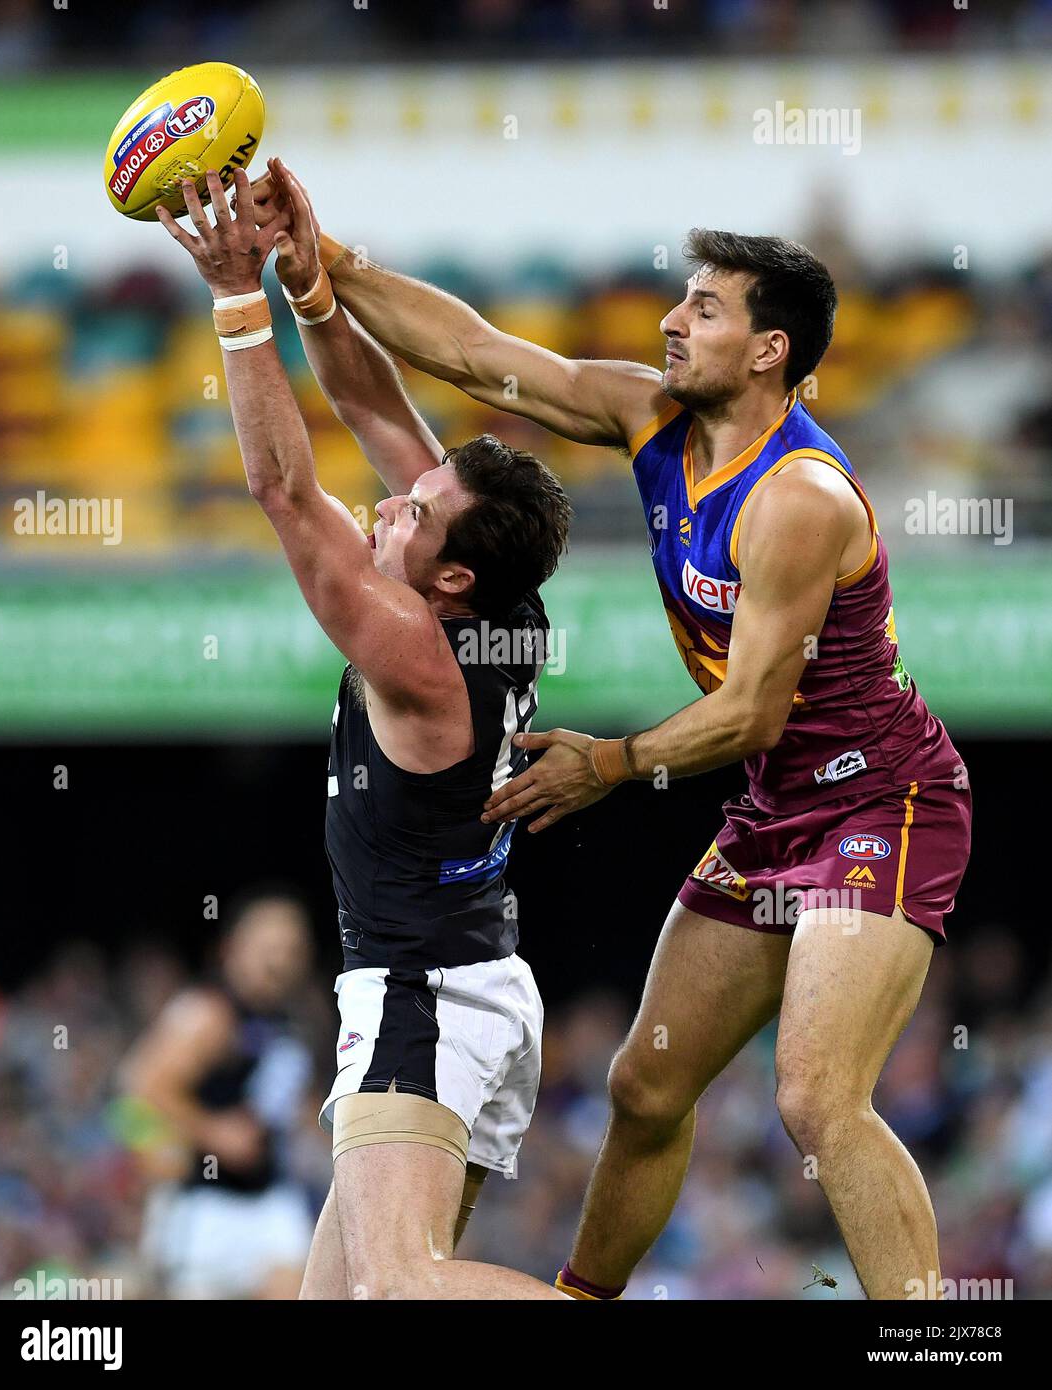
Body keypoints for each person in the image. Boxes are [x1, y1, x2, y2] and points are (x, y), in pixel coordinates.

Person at [247, 167, 971, 1300]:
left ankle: (932, 1331)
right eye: (681, 301)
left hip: (878, 799)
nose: (673, 322)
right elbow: (480, 353)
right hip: (775, 809)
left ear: (769, 350)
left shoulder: (799, 498)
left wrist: (614, 762)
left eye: (705, 309)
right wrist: (325, 267)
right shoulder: (655, 419)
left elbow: (751, 712)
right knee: (644, 1087)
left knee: (814, 1096)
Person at [154, 166, 571, 1299]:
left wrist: (236, 298)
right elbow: (380, 416)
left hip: (420, 995)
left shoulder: (416, 656)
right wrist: (310, 284)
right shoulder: (500, 613)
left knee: (394, 1287)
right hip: (470, 980)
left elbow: (288, 495)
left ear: (450, 577)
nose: (393, 498)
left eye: (414, 511)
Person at [124, 894, 316, 1298]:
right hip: (205, 1205)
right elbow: (142, 1082)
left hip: (271, 1201)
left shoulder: (291, 1018)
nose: (279, 960)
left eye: (291, 949)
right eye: (267, 948)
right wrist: (213, 1132)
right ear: (234, 947)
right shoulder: (209, 1011)